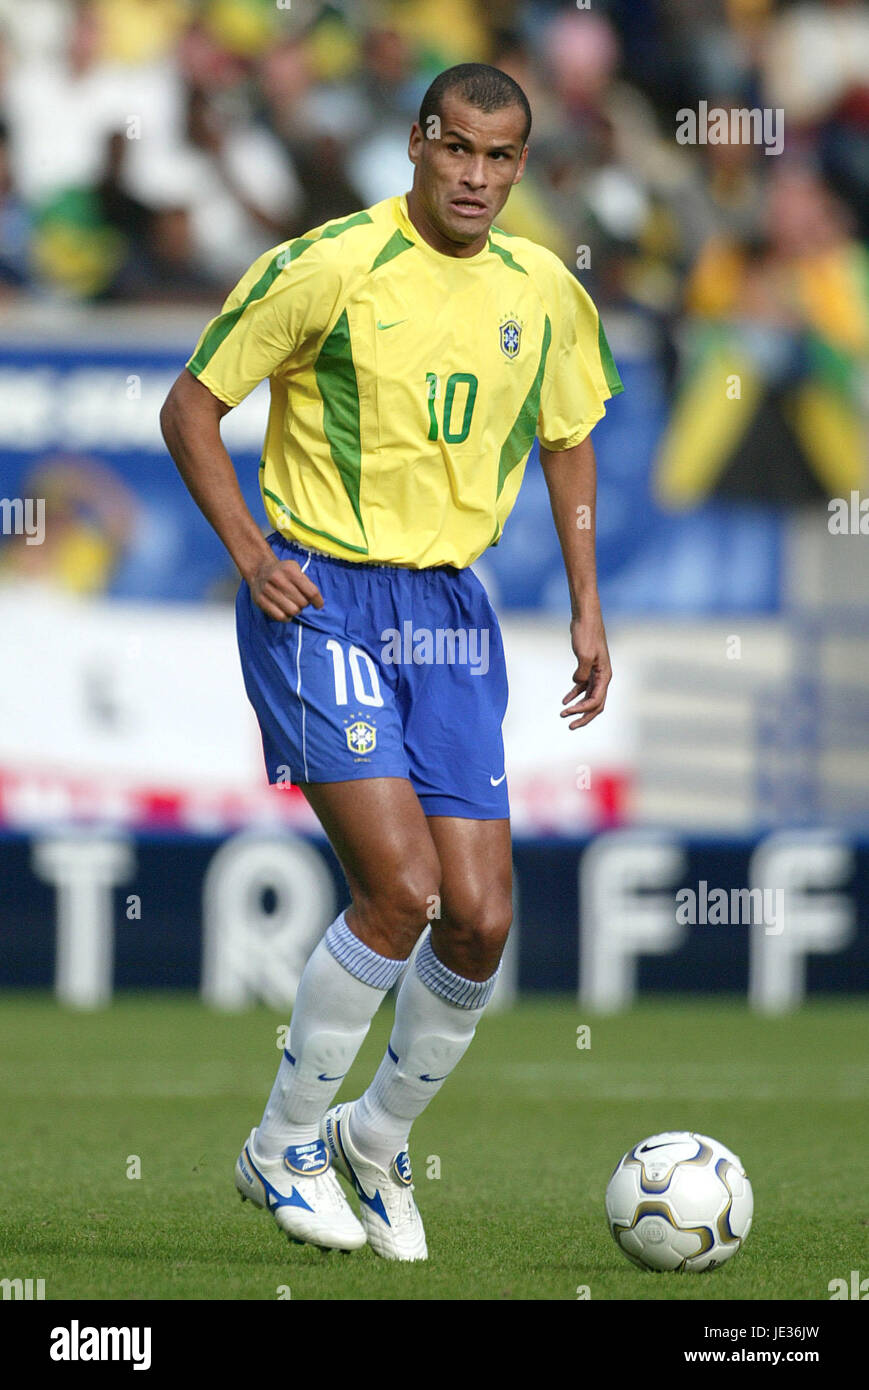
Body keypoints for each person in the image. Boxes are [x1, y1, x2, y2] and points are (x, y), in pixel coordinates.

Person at [160, 62, 622, 1262]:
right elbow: (191, 407)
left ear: (522, 166)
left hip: (451, 616)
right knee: (402, 888)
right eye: (457, 149)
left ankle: (373, 1137)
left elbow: (570, 441)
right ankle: (282, 1140)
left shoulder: (543, 291)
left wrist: (585, 603)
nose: (476, 177)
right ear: (416, 143)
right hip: (319, 595)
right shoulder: (328, 265)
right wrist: (250, 549)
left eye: (500, 157)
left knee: (477, 919)